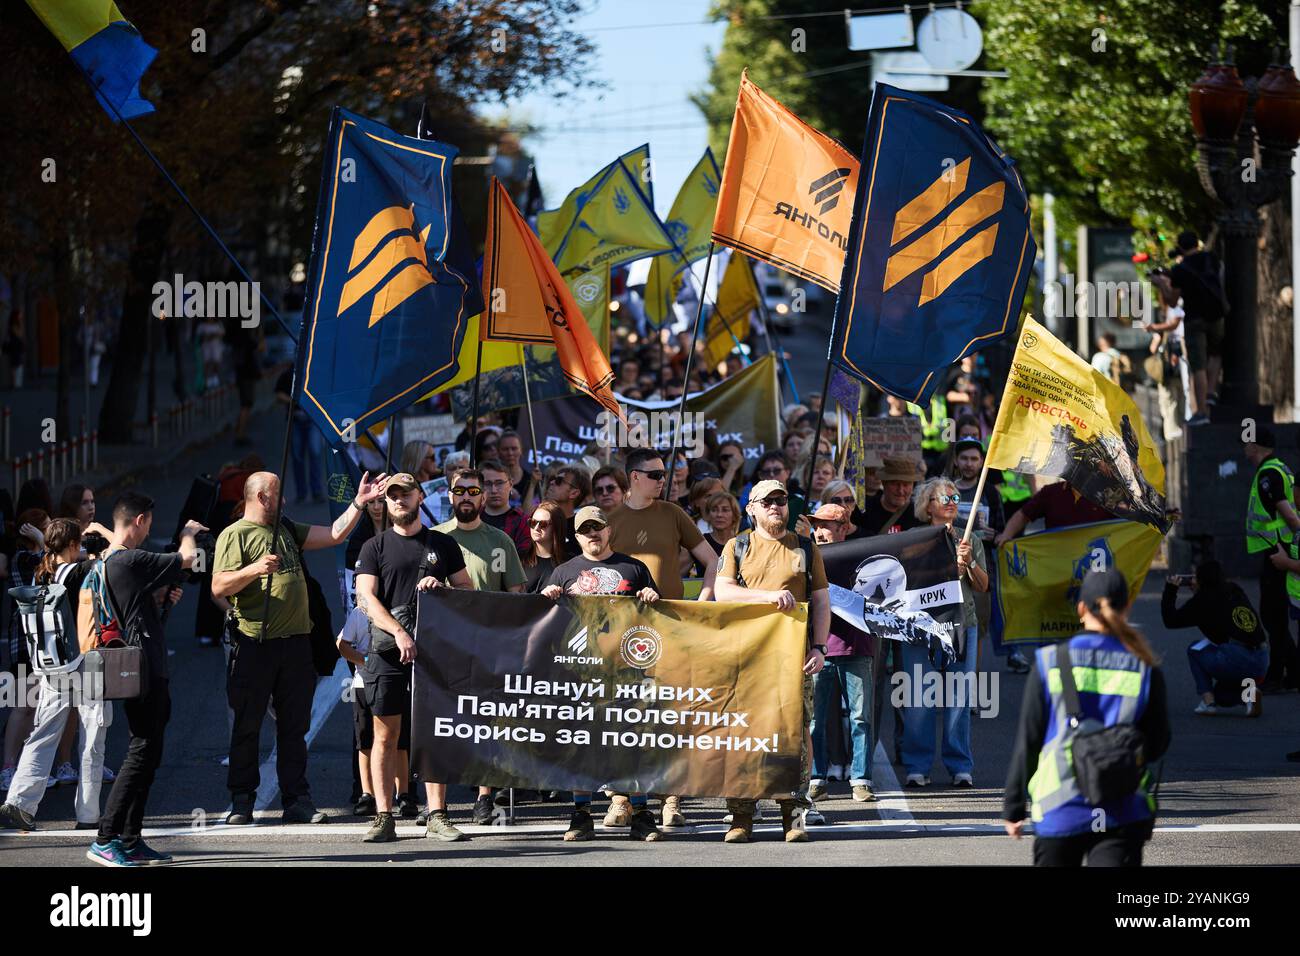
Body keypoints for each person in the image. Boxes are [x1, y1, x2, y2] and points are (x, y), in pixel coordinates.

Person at [212, 469, 386, 826]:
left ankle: (297, 799)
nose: (285, 500)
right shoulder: (235, 535)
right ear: (261, 497)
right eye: (278, 494)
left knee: (294, 727)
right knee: (248, 723)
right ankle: (242, 800)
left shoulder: (286, 528)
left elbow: (336, 534)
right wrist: (255, 569)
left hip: (295, 646)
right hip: (254, 644)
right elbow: (218, 587)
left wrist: (359, 503)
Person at [1002, 568, 1171, 867]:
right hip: (1122, 808)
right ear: (1127, 607)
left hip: (1061, 806)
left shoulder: (1050, 662)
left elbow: (1029, 740)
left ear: (1081, 609)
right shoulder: (1144, 665)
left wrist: (1014, 807)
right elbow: (1158, 742)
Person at [86, 493, 205, 867]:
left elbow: (135, 609)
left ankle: (130, 837)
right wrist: (188, 531)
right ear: (139, 521)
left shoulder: (111, 562)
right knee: (140, 753)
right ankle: (106, 839)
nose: (149, 530)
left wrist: (160, 602)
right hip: (143, 669)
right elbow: (186, 558)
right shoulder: (129, 559)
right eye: (149, 523)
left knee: (149, 753)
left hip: (142, 663)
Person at [355, 473, 473, 843]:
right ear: (385, 503)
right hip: (389, 653)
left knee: (433, 733)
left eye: (406, 493)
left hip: (433, 654)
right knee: (385, 736)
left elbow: (467, 589)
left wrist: (442, 589)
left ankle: (437, 814)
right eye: (392, 496)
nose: (399, 500)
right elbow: (366, 599)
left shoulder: (443, 543)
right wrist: (400, 631)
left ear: (420, 497)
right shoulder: (374, 547)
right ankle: (384, 816)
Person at [606, 448, 719, 828]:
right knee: (624, 717)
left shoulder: (673, 513)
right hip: (623, 631)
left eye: (663, 475)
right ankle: (621, 799)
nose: (663, 481)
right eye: (655, 475)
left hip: (669, 626)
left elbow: (712, 560)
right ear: (634, 477)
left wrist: (701, 602)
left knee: (669, 716)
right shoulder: (609, 519)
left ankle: (671, 798)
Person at [714, 479, 828, 843]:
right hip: (746, 658)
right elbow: (722, 593)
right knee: (743, 733)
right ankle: (741, 816)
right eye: (767, 502)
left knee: (792, 735)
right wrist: (768, 597)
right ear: (751, 508)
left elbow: (822, 600)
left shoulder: (807, 548)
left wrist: (820, 647)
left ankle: (793, 815)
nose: (776, 506)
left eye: (780, 500)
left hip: (794, 658)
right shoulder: (737, 545)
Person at [541, 505, 663, 843]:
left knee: (629, 743)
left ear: (609, 530)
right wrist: (547, 598)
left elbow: (656, 622)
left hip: (626, 671)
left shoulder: (634, 568)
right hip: (579, 673)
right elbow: (543, 626)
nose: (592, 534)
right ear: (576, 536)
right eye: (585, 530)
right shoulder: (564, 572)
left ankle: (640, 813)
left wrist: (653, 597)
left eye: (598, 527)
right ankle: (581, 815)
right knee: (582, 744)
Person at [0, 519, 106, 831]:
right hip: (85, 660)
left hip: (52, 663)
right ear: (73, 545)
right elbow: (111, 560)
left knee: (42, 734)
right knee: (92, 737)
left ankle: (20, 801)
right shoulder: (80, 571)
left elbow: (56, 552)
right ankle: (88, 815)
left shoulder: (42, 570)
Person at [435, 466, 526, 824]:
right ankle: (436, 802)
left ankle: (484, 797)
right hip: (445, 643)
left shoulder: (500, 541)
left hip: (489, 644)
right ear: (450, 495)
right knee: (443, 721)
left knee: (486, 722)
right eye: (461, 491)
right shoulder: (434, 537)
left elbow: (516, 592)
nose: (467, 497)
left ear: (484, 497)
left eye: (474, 492)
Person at [899, 478, 987, 788]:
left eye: (954, 496)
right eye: (943, 497)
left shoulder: (969, 539)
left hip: (962, 625)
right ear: (928, 506)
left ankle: (960, 766)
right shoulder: (912, 539)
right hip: (922, 627)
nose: (951, 501)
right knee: (918, 698)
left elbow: (983, 585)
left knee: (958, 698)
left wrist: (969, 561)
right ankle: (917, 766)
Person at [805, 504, 876, 808]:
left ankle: (860, 780)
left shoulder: (862, 557)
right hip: (818, 649)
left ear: (844, 528)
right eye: (816, 525)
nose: (820, 531)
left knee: (860, 718)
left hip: (857, 647)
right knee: (815, 719)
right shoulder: (806, 557)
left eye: (827, 525)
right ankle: (817, 778)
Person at [1161, 561, 1267, 716]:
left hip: (1236, 656)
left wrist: (1170, 590)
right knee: (1223, 697)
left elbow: (1170, 621)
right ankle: (1249, 696)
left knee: (1194, 649)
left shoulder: (1202, 601)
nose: (1192, 580)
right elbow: (1220, 612)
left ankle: (1208, 702)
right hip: (1261, 658)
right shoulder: (1235, 589)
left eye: (1195, 577)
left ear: (1203, 580)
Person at [1242, 429, 1300, 691]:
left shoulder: (1269, 474)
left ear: (1256, 446)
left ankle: (1282, 674)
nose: (1244, 448)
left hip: (1277, 551)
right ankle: (1289, 672)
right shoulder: (1279, 468)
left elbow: (1289, 515)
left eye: (1247, 443)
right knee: (1275, 615)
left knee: (1273, 616)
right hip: (1279, 549)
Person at [1164, 231, 1226, 425]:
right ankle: (1210, 393)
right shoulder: (1211, 259)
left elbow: (1172, 302)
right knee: (1216, 353)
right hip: (1216, 315)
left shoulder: (1180, 269)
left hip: (1194, 320)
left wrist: (1162, 285)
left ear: (1180, 247)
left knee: (1197, 365)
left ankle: (1201, 412)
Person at [993, 478, 1111, 547]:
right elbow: (1023, 514)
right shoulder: (1051, 492)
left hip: (1095, 565)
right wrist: (1006, 535)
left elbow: (1124, 524)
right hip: (1056, 564)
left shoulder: (1107, 495)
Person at [275, 367, 324, 504]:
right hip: (295, 420)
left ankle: (316, 491)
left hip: (313, 420)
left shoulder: (316, 372)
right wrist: (294, 400)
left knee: (315, 454)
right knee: (298, 457)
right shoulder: (289, 373)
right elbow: (278, 394)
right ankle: (301, 492)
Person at [855, 456, 925, 537]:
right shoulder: (862, 512)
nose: (900, 491)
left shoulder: (920, 514)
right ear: (884, 483)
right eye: (895, 484)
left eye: (906, 485)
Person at [478, 459, 532, 561]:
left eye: (499, 483)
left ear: (510, 484)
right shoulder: (472, 518)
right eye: (487, 484)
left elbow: (524, 561)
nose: (494, 490)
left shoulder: (523, 522)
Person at [522, 501, 567, 593]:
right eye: (533, 522)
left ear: (556, 527)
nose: (536, 528)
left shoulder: (570, 562)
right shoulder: (519, 559)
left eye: (543, 524)